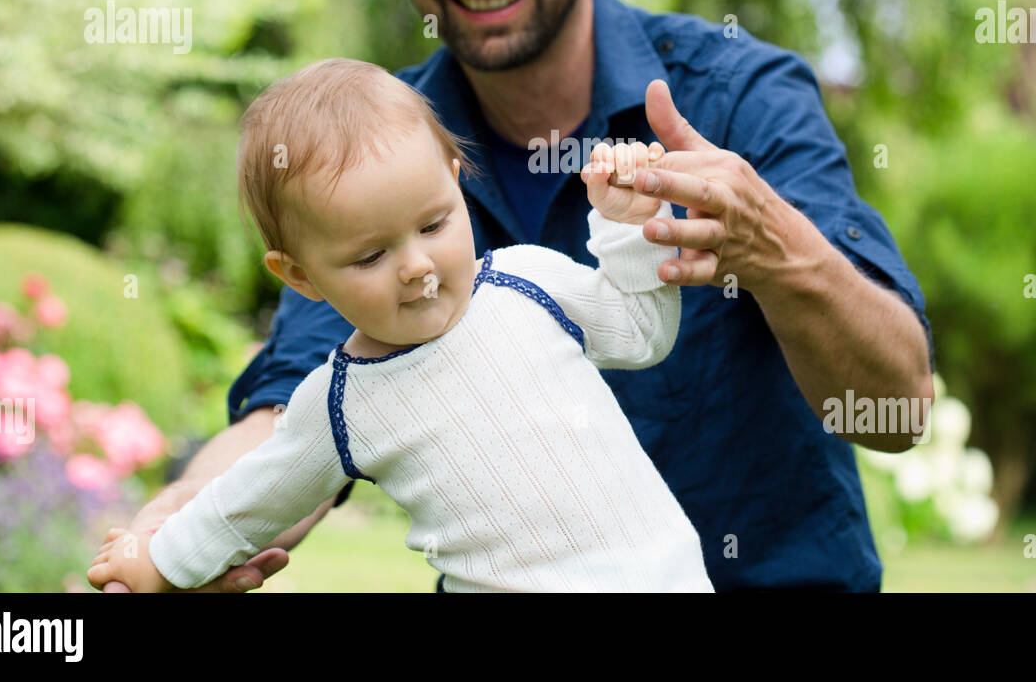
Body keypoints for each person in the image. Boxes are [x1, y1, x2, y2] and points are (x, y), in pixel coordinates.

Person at [94, 0, 933, 593]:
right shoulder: (365, 159)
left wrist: (775, 252)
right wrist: (181, 523)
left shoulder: (740, 98)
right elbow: (291, 417)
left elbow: (899, 408)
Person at [87, 58, 714, 592]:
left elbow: (640, 334)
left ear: (457, 182)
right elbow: (244, 503)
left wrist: (632, 225)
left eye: (434, 225)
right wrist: (159, 562)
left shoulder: (529, 282)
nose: (416, 266)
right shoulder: (343, 403)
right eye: (369, 256)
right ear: (300, 276)